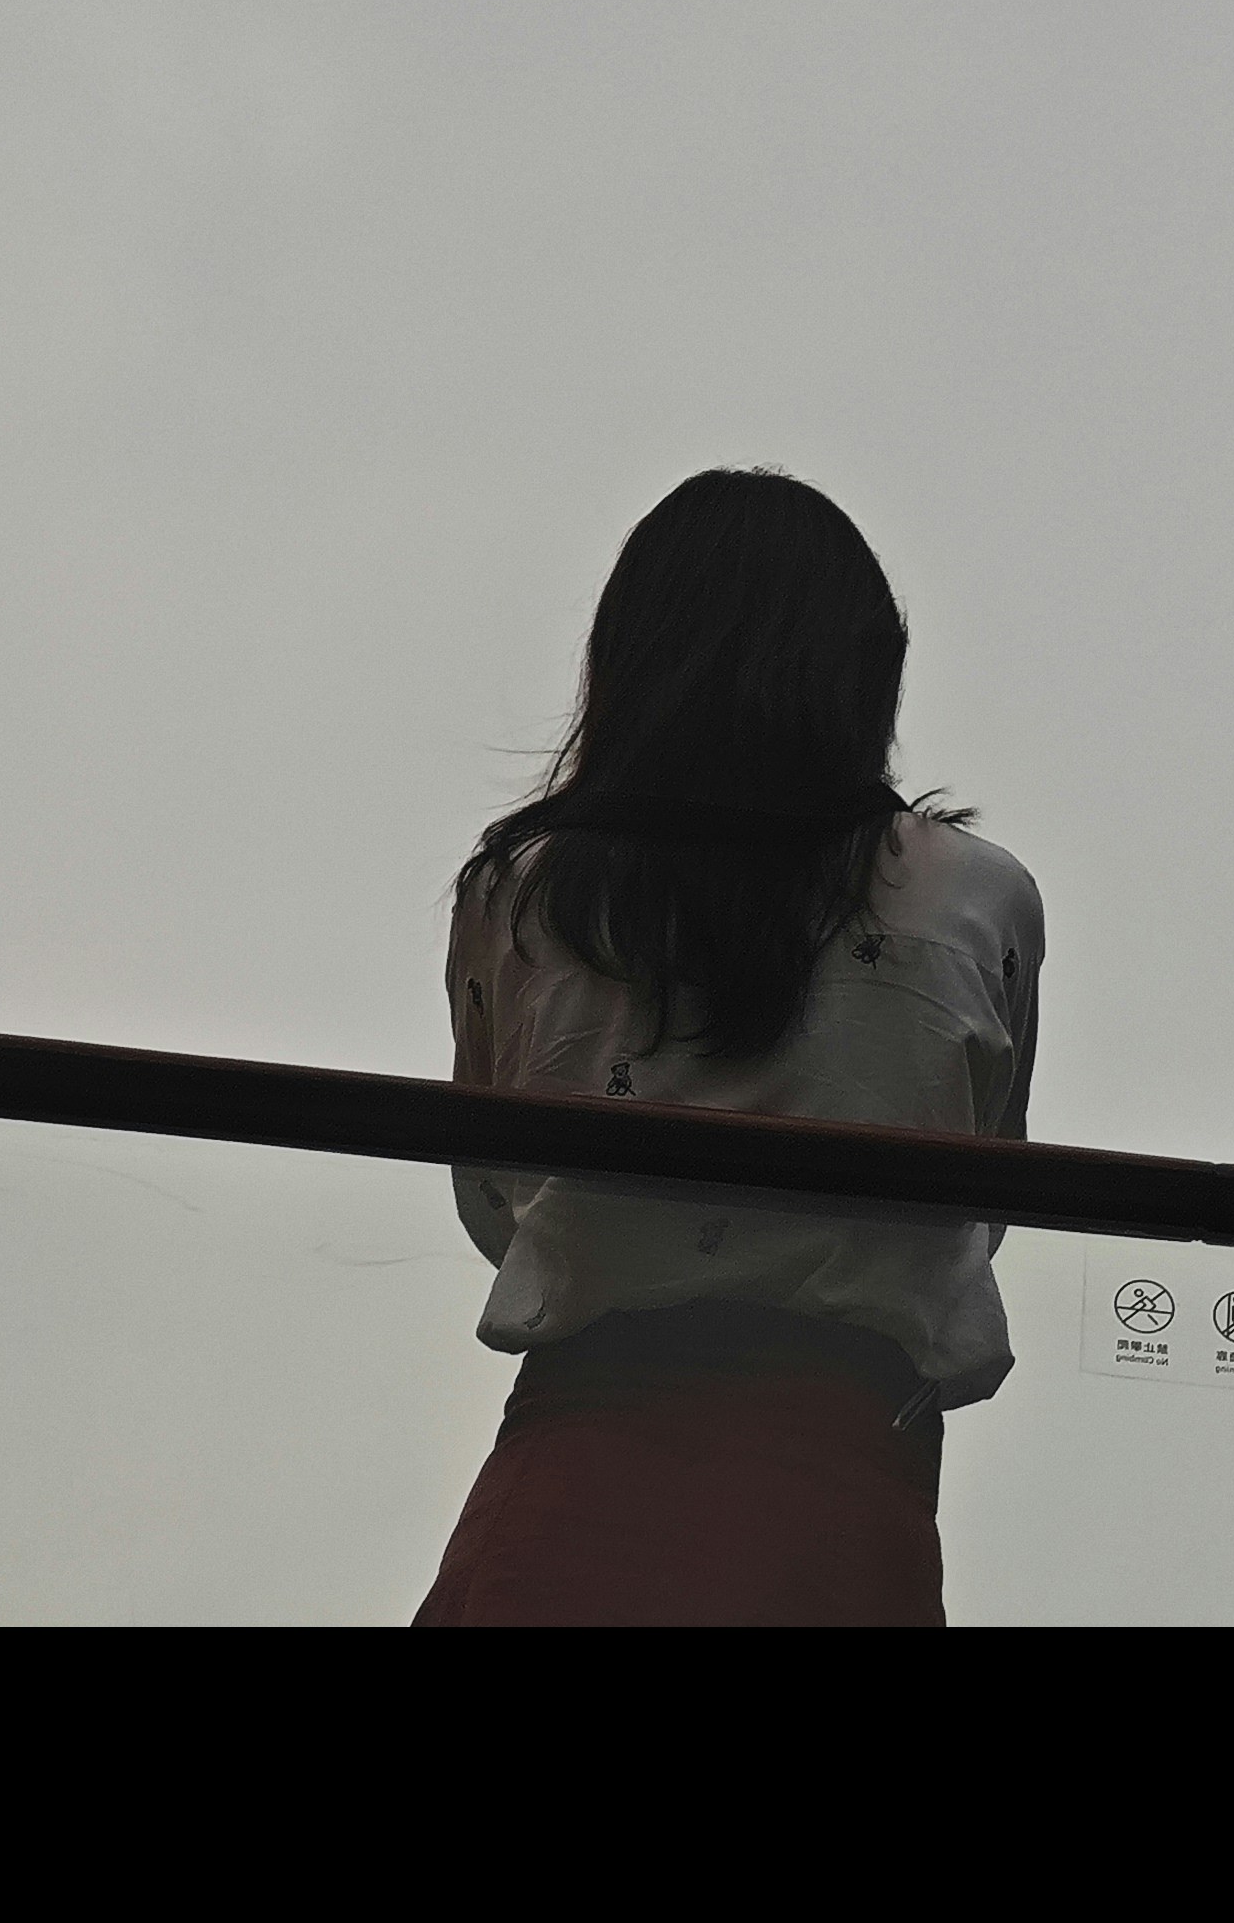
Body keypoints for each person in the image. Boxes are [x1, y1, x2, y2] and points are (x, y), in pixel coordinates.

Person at [416, 468, 1043, 1626]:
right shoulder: (976, 899)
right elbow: (979, 1185)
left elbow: (498, 1198)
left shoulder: (523, 892)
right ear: (863, 673)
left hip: (571, 1459)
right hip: (844, 1483)